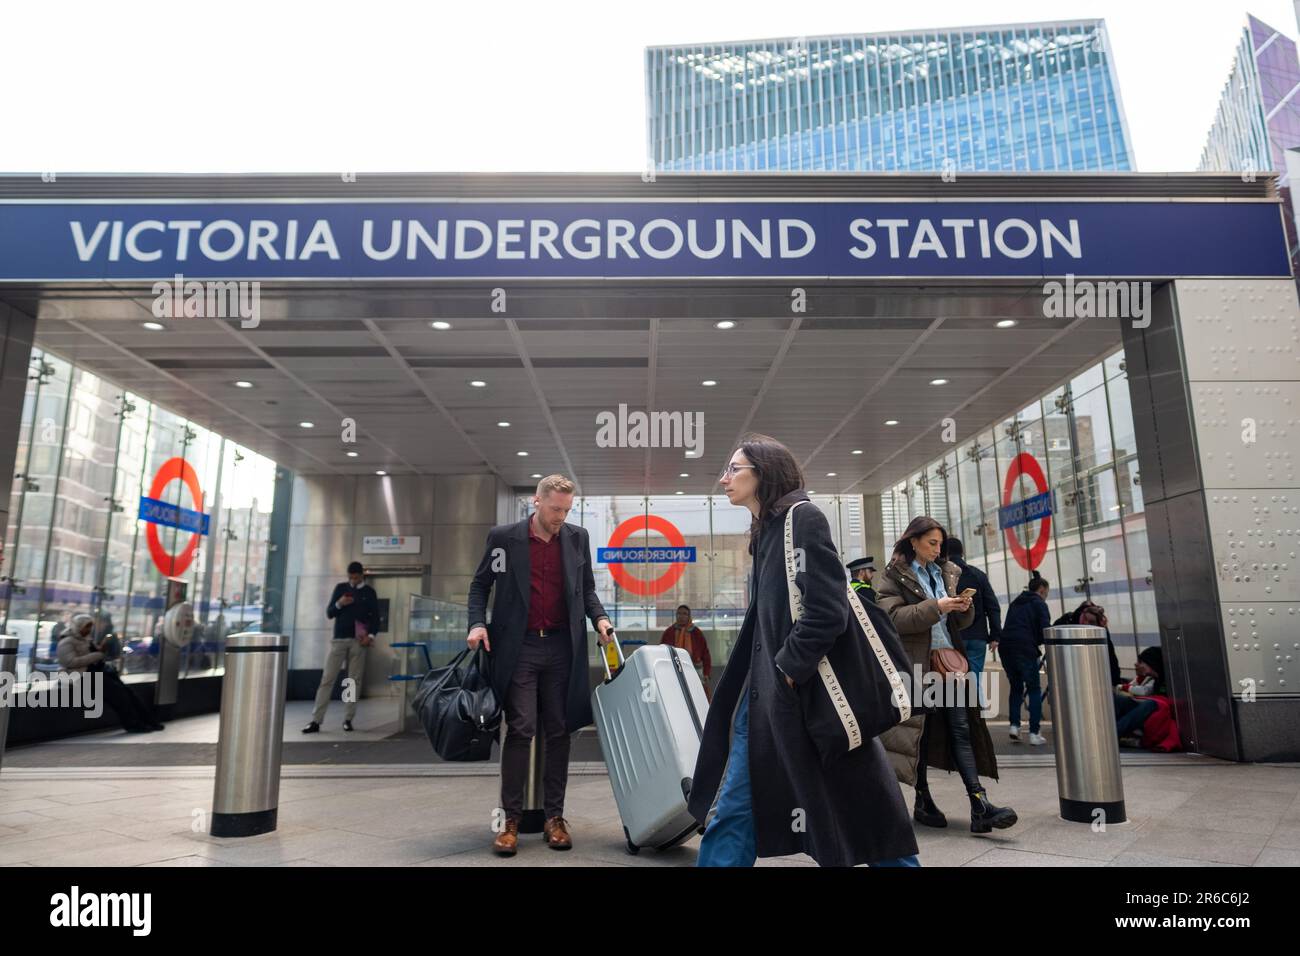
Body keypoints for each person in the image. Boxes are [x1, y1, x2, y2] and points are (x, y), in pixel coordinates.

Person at [689, 434, 920, 867]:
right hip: (766, 694)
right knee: (737, 801)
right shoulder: (766, 533)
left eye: (734, 469)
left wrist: (787, 671)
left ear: (764, 473)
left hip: (807, 692)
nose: (724, 479)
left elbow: (827, 610)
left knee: (864, 795)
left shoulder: (803, 519)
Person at [468, 474, 615, 857]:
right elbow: (480, 585)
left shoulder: (576, 538)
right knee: (520, 728)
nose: (560, 517)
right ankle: (510, 820)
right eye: (555, 509)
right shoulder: (505, 538)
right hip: (520, 647)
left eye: (567, 510)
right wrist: (477, 623)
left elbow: (586, 591)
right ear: (537, 501)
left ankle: (555, 818)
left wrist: (599, 620)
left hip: (563, 648)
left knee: (560, 730)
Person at [876, 516, 1016, 834]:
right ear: (913, 541)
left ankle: (979, 803)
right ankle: (923, 800)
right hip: (916, 666)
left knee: (961, 729)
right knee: (919, 735)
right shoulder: (892, 575)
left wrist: (962, 607)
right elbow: (893, 618)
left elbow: (960, 625)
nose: (938, 550)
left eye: (940, 543)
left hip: (950, 663)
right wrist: (937, 606)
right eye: (931, 543)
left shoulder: (946, 572)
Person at [304, 561, 379, 734]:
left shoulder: (369, 593)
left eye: (355, 577)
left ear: (361, 575)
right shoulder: (340, 588)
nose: (352, 580)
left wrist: (371, 636)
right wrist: (340, 603)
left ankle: (348, 719)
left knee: (352, 681)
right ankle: (316, 720)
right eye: (350, 577)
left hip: (358, 642)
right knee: (327, 679)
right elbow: (330, 613)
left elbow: (375, 618)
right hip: (339, 640)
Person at [57, 613, 163, 733]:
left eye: (90, 627)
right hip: (80, 676)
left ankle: (148, 721)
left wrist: (101, 650)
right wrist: (96, 655)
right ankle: (133, 724)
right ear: (78, 626)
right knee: (118, 694)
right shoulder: (66, 642)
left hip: (94, 672)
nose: (88, 630)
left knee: (129, 693)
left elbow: (94, 656)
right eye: (86, 627)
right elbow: (71, 662)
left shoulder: (86, 640)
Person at [942, 537, 1000, 707]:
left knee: (954, 682)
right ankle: (978, 718)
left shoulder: (942, 575)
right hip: (977, 637)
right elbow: (993, 606)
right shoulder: (978, 575)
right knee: (974, 678)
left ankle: (963, 720)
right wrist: (995, 635)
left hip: (953, 636)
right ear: (963, 552)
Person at [1000, 572, 1051, 745]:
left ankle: (1014, 726)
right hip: (1025, 648)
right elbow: (1045, 630)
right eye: (1046, 593)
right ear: (1042, 589)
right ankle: (1034, 733)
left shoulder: (1016, 603)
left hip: (1006, 647)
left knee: (1016, 687)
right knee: (1034, 689)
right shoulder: (1039, 604)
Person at [659, 604, 712, 700]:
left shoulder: (696, 632)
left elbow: (705, 654)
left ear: (689, 616)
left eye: (685, 614)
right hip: (674, 669)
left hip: (695, 669)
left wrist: (706, 673)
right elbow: (662, 651)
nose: (681, 616)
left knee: (699, 695)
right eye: (679, 613)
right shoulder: (669, 632)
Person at [1115, 647, 1165, 746]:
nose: (1138, 665)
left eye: (1142, 662)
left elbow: (1145, 692)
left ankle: (1115, 732)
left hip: (1157, 714)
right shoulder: (1153, 679)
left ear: (1151, 663)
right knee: (1119, 700)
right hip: (1148, 712)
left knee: (1150, 703)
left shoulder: (1166, 679)